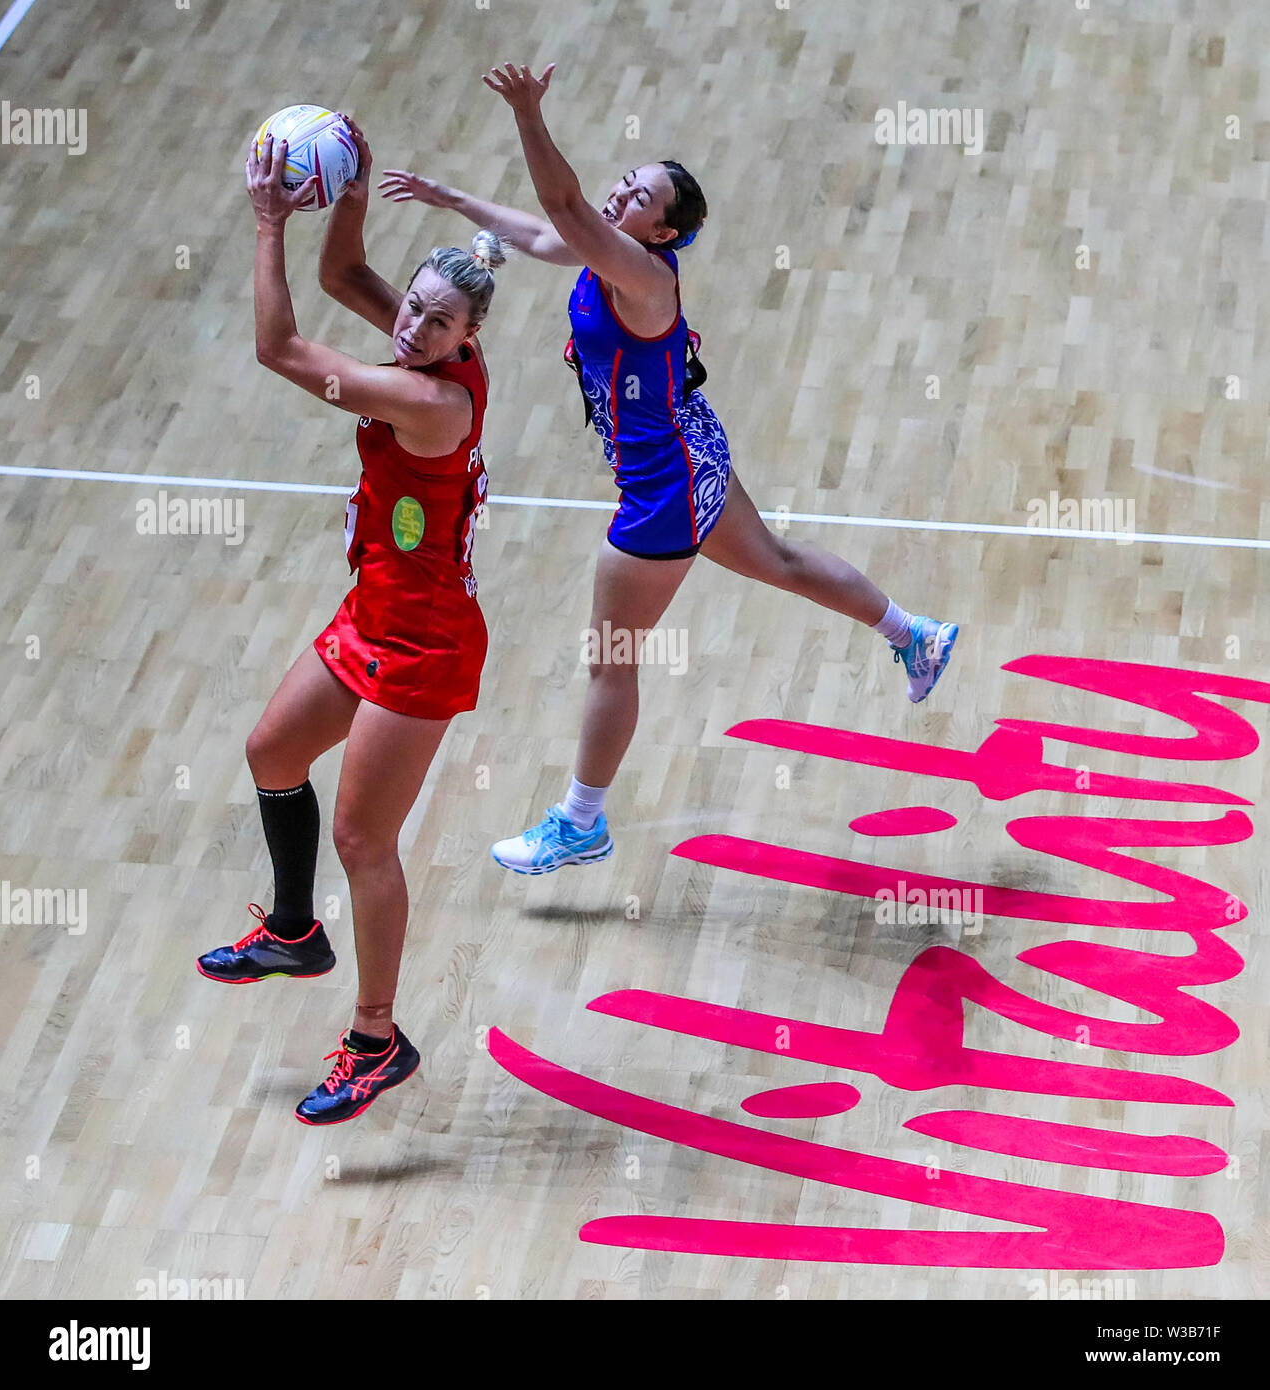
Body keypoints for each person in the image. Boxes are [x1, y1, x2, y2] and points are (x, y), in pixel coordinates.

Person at [380, 63, 957, 878]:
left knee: (611, 657)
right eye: (625, 182)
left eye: (640, 195)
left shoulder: (642, 279)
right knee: (782, 562)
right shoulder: (605, 259)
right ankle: (914, 635)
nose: (621, 194)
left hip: (662, 490)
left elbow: (562, 209)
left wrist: (527, 114)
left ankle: (580, 821)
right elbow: (545, 233)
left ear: (661, 232)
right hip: (694, 450)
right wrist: (453, 199)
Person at [196, 120, 505, 1122]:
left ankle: (377, 1036)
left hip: (422, 649)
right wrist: (357, 189)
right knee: (270, 749)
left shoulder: (427, 401)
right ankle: (293, 930)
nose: (411, 326)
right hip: (372, 610)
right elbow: (347, 274)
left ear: (466, 341)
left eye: (434, 321)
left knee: (364, 842)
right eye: (411, 307)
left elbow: (277, 344)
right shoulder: (432, 349)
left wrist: (265, 222)